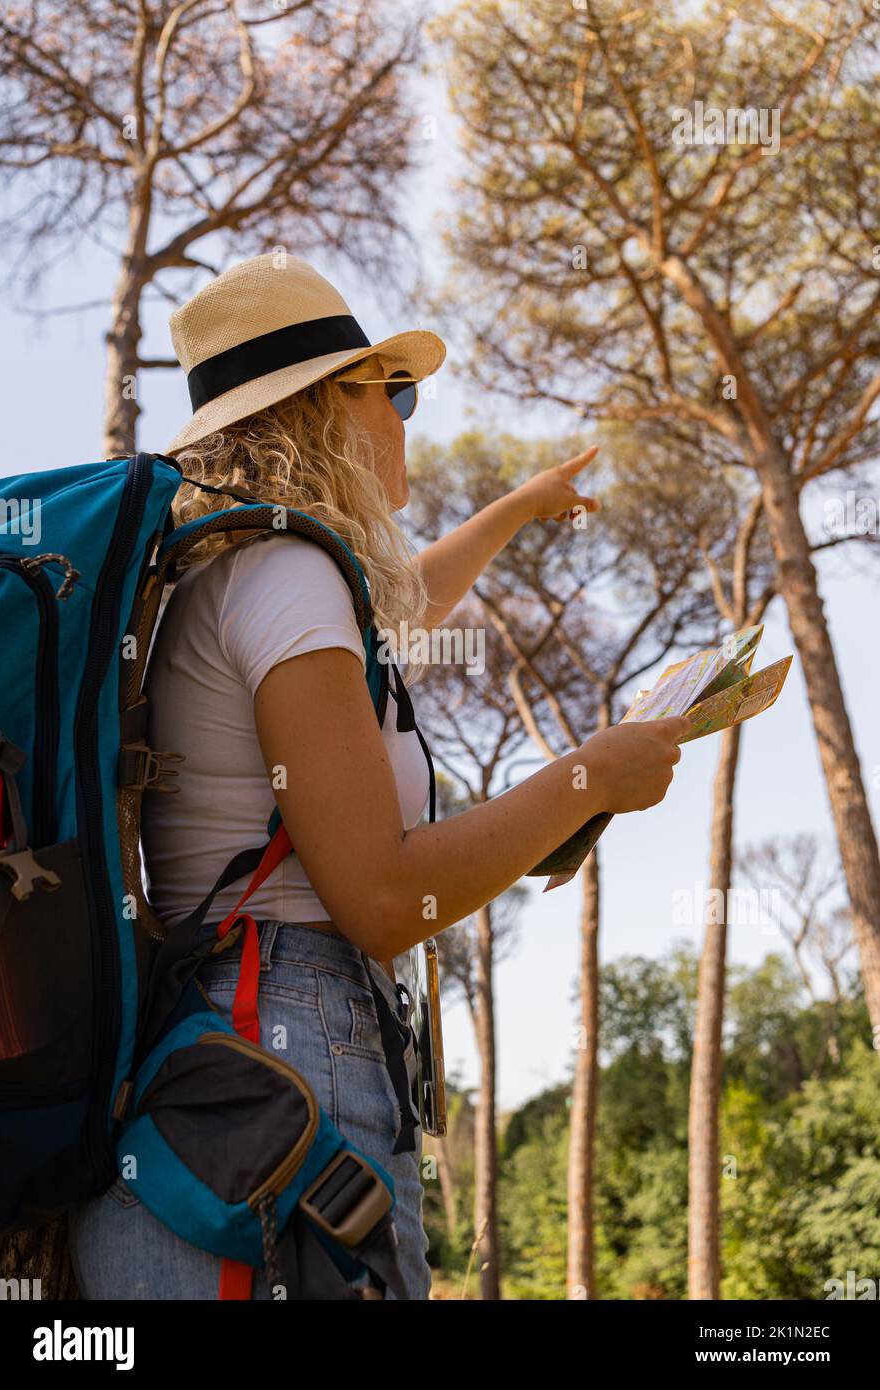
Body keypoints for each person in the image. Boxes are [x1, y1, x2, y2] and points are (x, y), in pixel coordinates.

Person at [68, 252, 690, 1300]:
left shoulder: (239, 564)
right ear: (324, 407)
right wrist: (590, 778)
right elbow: (385, 896)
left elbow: (398, 603)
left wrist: (516, 509)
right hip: (293, 1045)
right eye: (391, 391)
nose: (409, 415)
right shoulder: (287, 575)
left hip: (227, 1063)